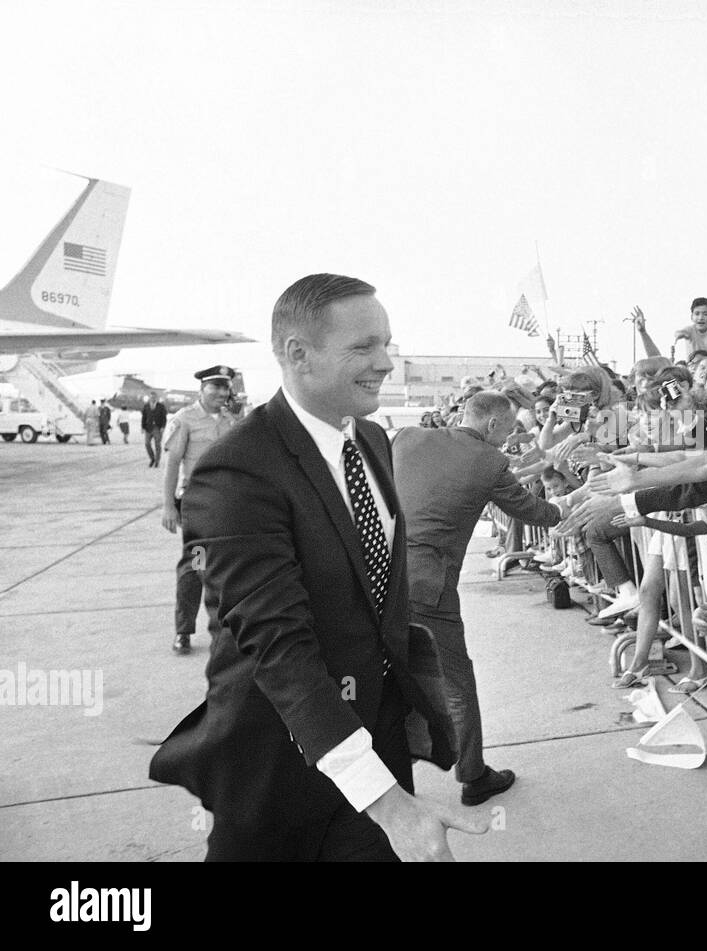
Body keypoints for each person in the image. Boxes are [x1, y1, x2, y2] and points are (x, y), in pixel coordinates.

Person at [149, 273, 485, 861]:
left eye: (387, 344)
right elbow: (276, 645)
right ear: (297, 354)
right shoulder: (239, 470)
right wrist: (387, 803)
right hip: (278, 755)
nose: (385, 362)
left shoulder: (374, 441)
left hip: (373, 740)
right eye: (363, 347)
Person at [393, 390, 562, 806]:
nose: (508, 437)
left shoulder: (408, 437)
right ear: (491, 425)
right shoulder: (489, 461)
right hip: (428, 585)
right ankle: (473, 776)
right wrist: (567, 507)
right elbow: (531, 510)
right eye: (507, 429)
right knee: (457, 684)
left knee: (388, 672)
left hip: (382, 576)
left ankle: (388, 770)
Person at [161, 365, 239, 654]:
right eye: (215, 387)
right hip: (197, 505)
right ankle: (183, 631)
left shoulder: (232, 420)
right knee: (195, 566)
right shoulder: (185, 419)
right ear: (202, 389)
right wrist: (168, 506)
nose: (221, 392)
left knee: (226, 568)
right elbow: (172, 464)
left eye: (225, 387)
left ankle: (221, 631)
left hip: (228, 506)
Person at [142, 392, 167, 467]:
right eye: (151, 397)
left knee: (157, 445)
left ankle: (157, 461)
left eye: (154, 397)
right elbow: (144, 417)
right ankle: (152, 458)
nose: (153, 398)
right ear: (150, 398)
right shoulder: (146, 406)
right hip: (148, 428)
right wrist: (143, 427)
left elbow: (164, 418)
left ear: (157, 398)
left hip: (157, 428)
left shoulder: (161, 406)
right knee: (147, 444)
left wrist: (163, 427)